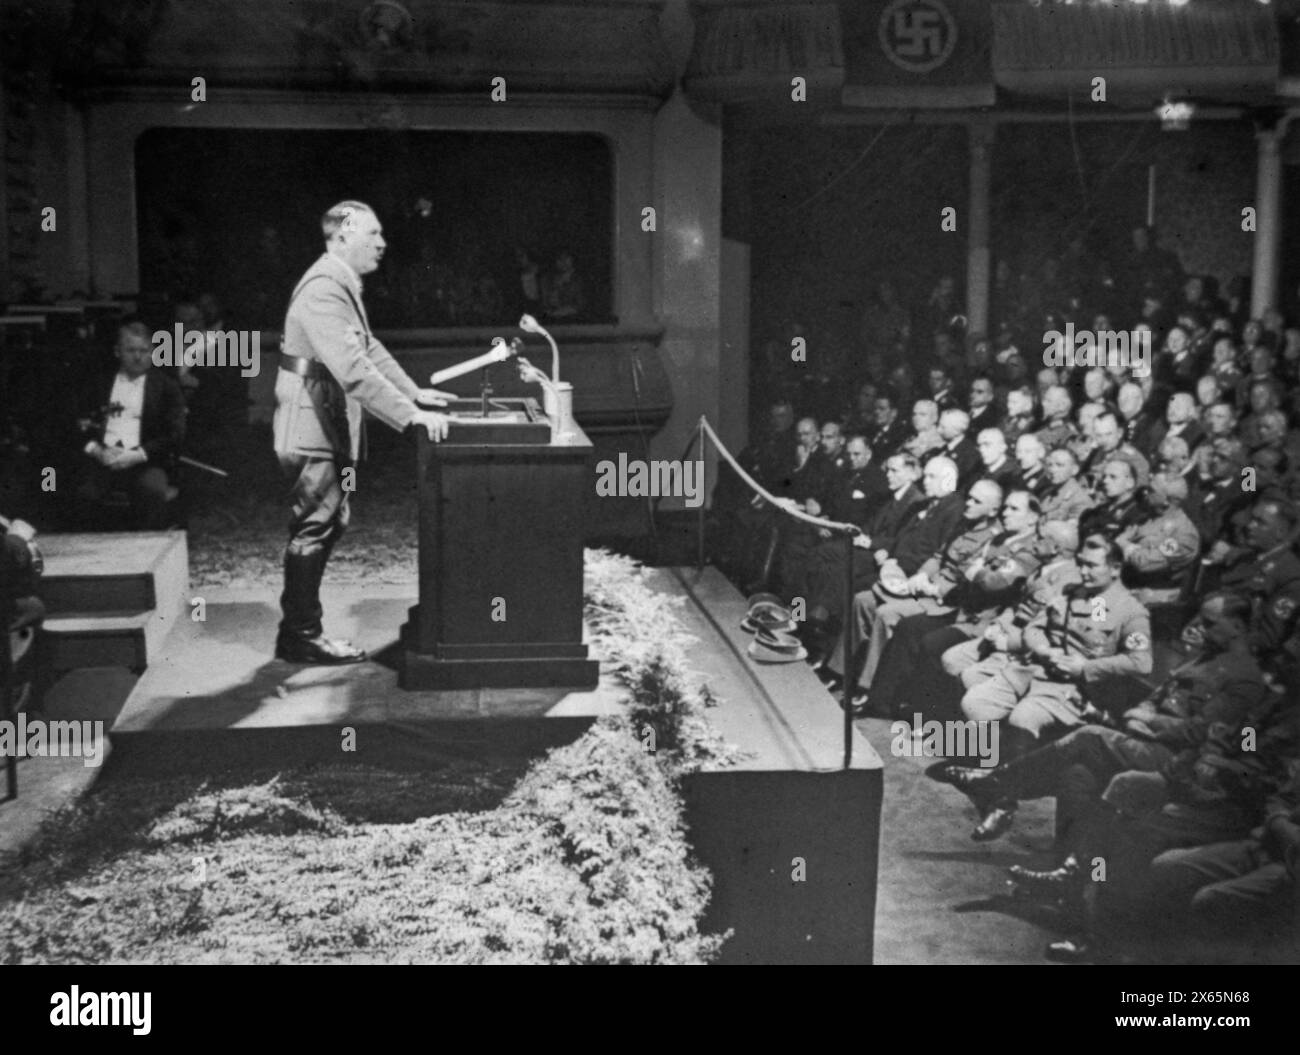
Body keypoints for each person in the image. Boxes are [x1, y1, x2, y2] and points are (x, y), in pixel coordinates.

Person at [273, 201, 452, 665]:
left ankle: (299, 630)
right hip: (310, 420)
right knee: (315, 522)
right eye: (372, 234)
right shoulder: (324, 288)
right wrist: (408, 416)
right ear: (341, 237)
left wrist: (415, 395)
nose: (382, 243)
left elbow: (368, 347)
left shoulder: (341, 284)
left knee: (329, 520)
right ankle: (300, 635)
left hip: (326, 416)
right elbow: (352, 368)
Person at [74, 321, 186, 530]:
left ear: (153, 352)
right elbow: (77, 423)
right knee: (81, 492)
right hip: (102, 459)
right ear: (118, 352)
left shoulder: (166, 387)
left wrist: (134, 455)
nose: (137, 356)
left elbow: (175, 434)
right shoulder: (98, 383)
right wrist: (97, 451)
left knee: (152, 491)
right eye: (131, 350)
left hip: (145, 461)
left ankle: (146, 549)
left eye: (144, 350)